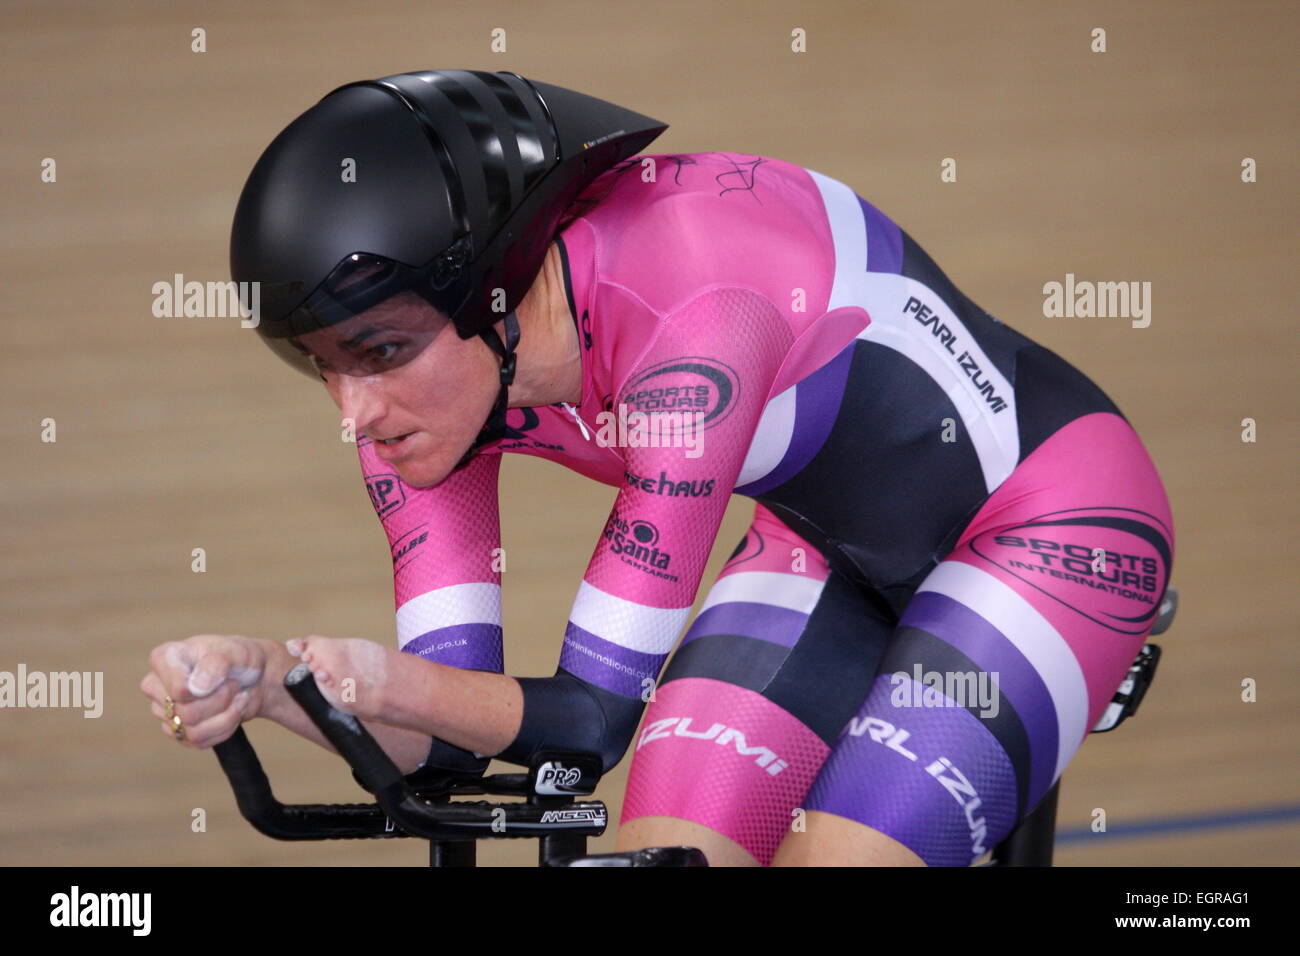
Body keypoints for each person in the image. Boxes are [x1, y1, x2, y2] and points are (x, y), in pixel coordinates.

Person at [141, 69, 1175, 867]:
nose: (354, 412)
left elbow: (590, 720)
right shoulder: (424, 405)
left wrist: (387, 678)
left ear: (492, 298)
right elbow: (447, 738)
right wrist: (284, 685)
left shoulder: (696, 327)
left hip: (1049, 525)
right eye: (321, 366)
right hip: (825, 548)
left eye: (376, 356)